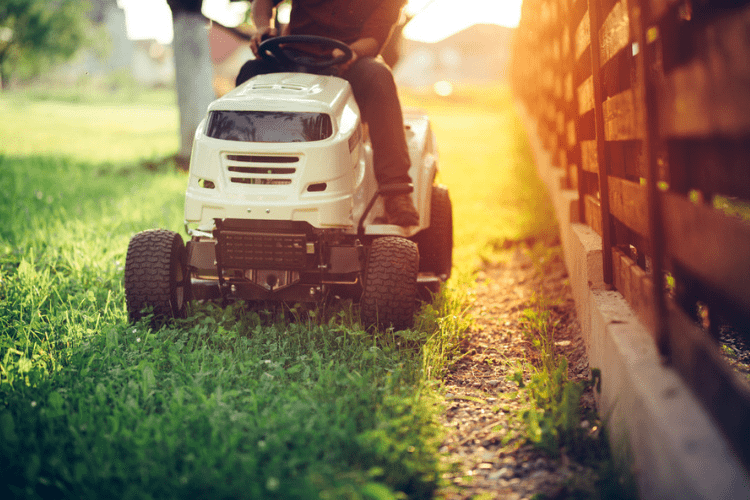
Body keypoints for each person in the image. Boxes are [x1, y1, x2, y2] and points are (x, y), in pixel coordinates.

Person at [236, 0, 419, 227]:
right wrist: (264, 27)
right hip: (292, 57)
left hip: (348, 62)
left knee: (379, 76)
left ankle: (396, 193)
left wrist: (353, 52)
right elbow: (262, 3)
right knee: (251, 71)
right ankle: (243, 180)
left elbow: (375, 38)